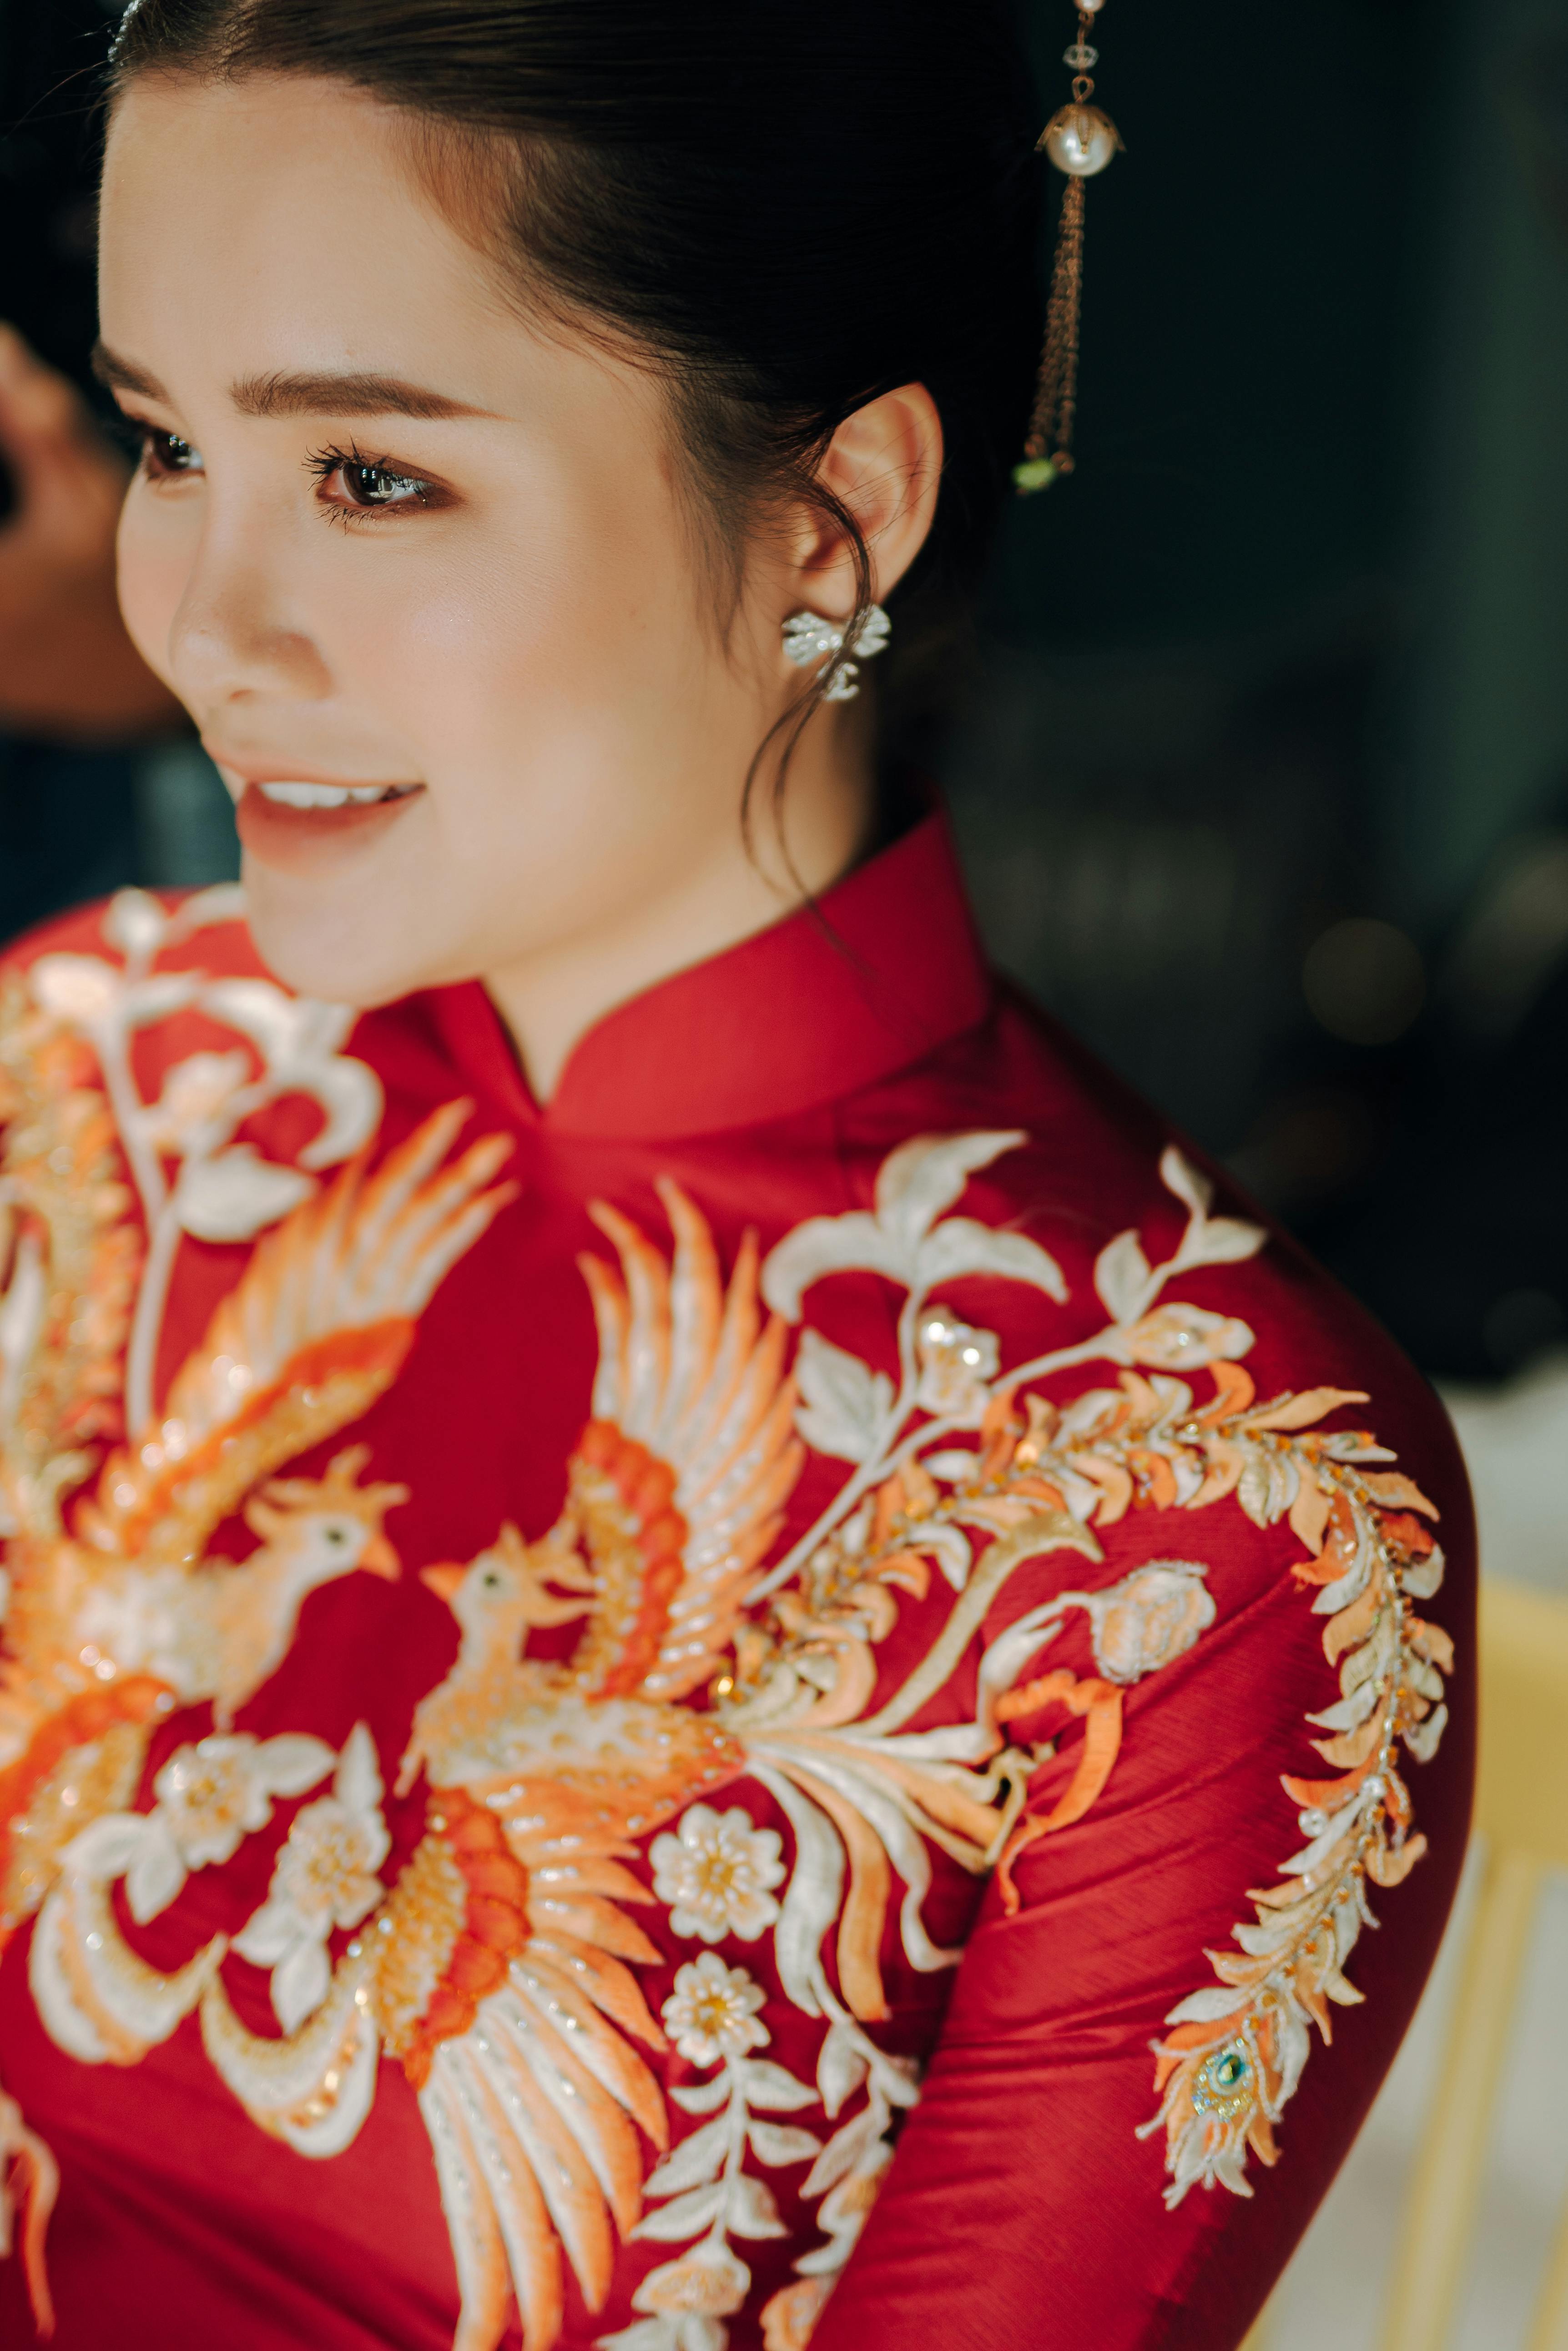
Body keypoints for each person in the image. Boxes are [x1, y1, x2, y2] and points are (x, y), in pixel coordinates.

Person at [0, 6, 1473, 2347]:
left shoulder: (1192, 1508)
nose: (207, 627)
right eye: (173, 442)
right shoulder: (88, 1094)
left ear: (834, 515)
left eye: (373, 477)